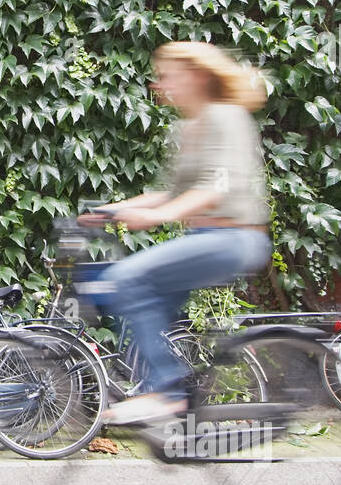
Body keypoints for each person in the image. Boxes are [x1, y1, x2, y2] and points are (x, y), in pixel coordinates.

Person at [78, 41, 273, 424]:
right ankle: (178, 406)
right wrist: (115, 210)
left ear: (197, 76)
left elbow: (215, 187)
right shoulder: (190, 126)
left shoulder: (224, 116)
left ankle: (165, 393)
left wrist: (157, 217)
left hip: (232, 240)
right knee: (138, 304)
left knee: (127, 279)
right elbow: (174, 193)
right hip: (203, 240)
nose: (158, 84)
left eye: (168, 75)